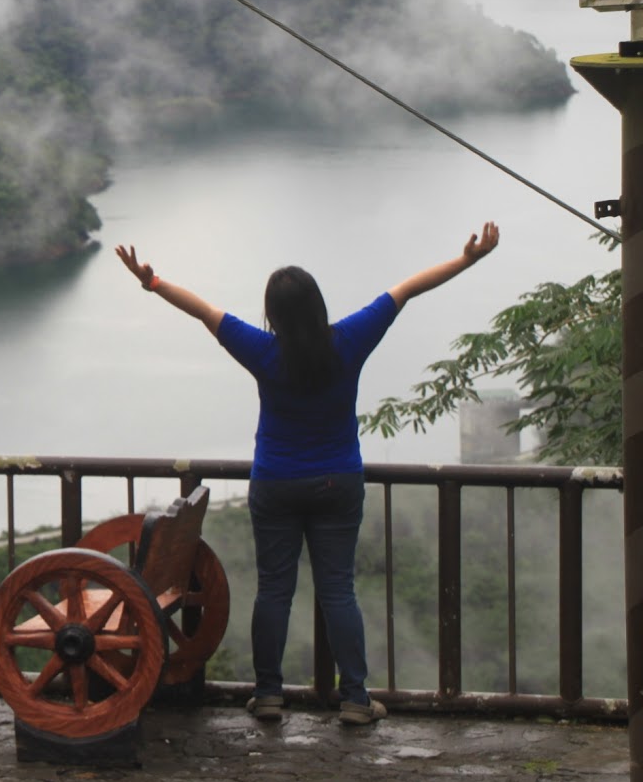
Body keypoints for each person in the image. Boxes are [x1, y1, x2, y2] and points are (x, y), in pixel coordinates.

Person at [114, 223, 499, 725]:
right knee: (338, 590)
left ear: (272, 314)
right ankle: (356, 699)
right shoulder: (352, 338)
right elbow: (408, 288)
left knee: (275, 590)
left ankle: (270, 694)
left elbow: (203, 311)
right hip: (338, 481)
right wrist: (468, 260)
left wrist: (152, 281)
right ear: (318, 306)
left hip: (275, 482)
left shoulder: (262, 350)